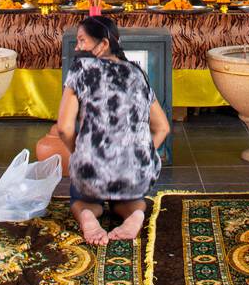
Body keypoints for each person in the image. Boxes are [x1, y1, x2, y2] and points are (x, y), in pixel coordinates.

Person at [57, 16, 170, 246]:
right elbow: (163, 128)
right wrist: (143, 153)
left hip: (92, 169)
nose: (77, 47)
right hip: (135, 172)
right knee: (131, 199)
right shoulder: (137, 72)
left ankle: (88, 215)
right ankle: (136, 214)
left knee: (83, 199)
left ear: (104, 44)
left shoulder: (80, 69)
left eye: (82, 41)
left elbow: (64, 128)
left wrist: (78, 152)